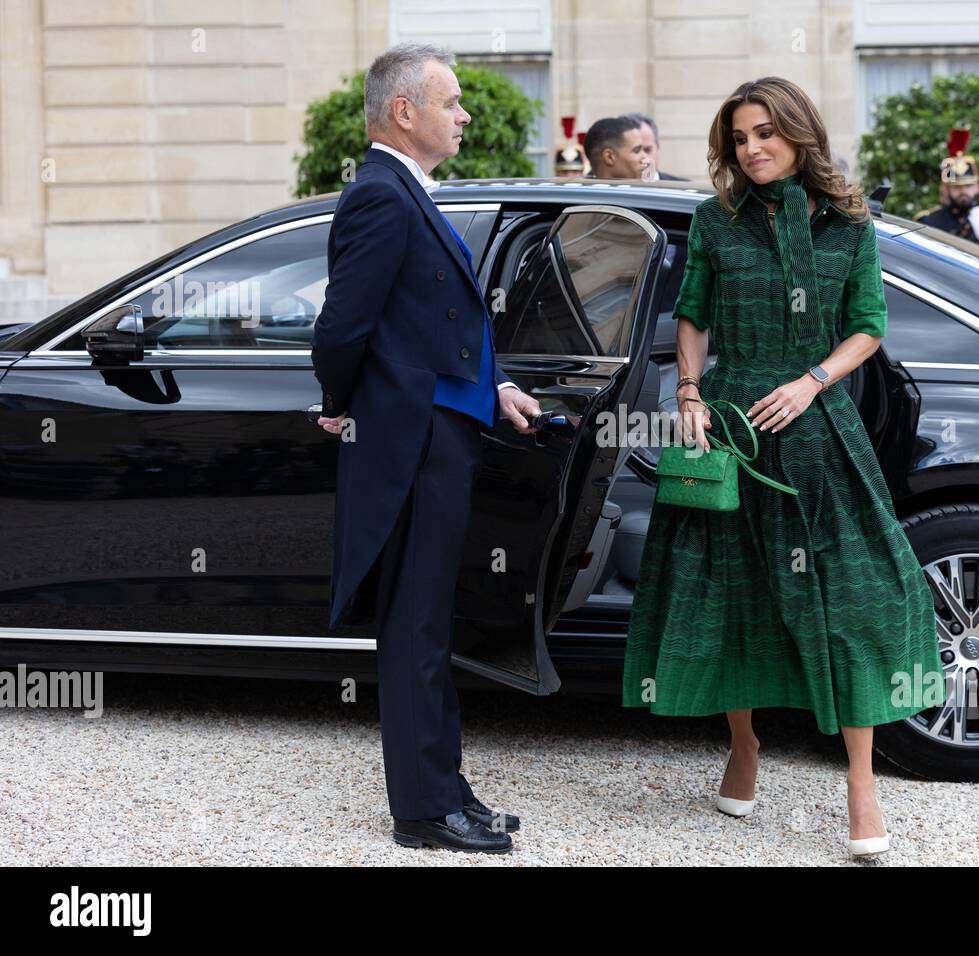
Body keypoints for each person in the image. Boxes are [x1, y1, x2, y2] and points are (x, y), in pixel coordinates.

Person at [621, 75, 945, 860]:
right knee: (732, 590)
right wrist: (690, 393)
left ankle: (861, 782)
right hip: (732, 422)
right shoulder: (715, 221)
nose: (753, 147)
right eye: (739, 137)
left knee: (849, 598)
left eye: (766, 131)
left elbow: (867, 327)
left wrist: (810, 382)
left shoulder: (849, 224)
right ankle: (744, 745)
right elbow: (692, 314)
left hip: (819, 422)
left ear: (799, 132)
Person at [311, 43, 542, 854]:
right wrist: (344, 405)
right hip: (409, 447)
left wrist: (497, 387)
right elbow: (342, 328)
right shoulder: (379, 195)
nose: (465, 113)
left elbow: (435, 327)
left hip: (439, 437)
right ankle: (421, 811)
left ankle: (448, 790)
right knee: (413, 629)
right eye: (450, 101)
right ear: (404, 112)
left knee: (429, 626)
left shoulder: (407, 191)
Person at [916, 128, 979, 259]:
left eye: (968, 185)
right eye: (956, 187)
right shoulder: (929, 222)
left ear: (977, 187)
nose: (963, 191)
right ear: (947, 189)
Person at [583, 114, 650, 179]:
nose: (646, 158)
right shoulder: (577, 189)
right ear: (609, 157)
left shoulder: (650, 189)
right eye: (636, 151)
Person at [626, 111, 686, 180]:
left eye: (647, 150)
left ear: (657, 147)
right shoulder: (613, 188)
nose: (643, 158)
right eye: (636, 151)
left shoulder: (682, 188)